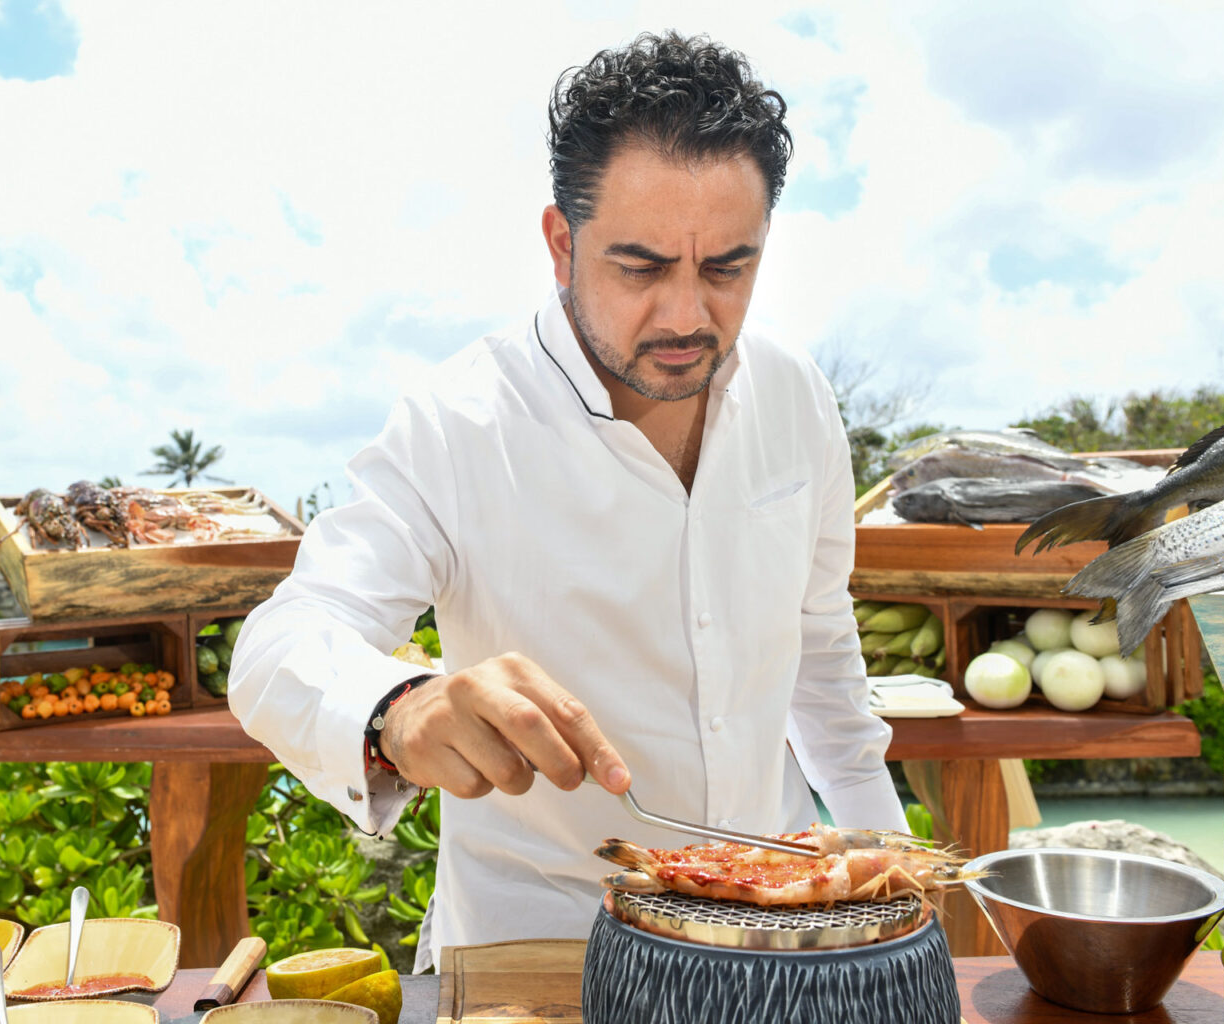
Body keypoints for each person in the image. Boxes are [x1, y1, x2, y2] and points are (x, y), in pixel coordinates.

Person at [229, 30, 907, 972]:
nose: (684, 316)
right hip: (542, 942)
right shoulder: (456, 424)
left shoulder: (796, 397)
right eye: (639, 266)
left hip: (775, 929)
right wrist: (400, 708)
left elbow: (821, 651)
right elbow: (278, 647)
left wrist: (897, 882)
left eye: (726, 269)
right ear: (561, 244)